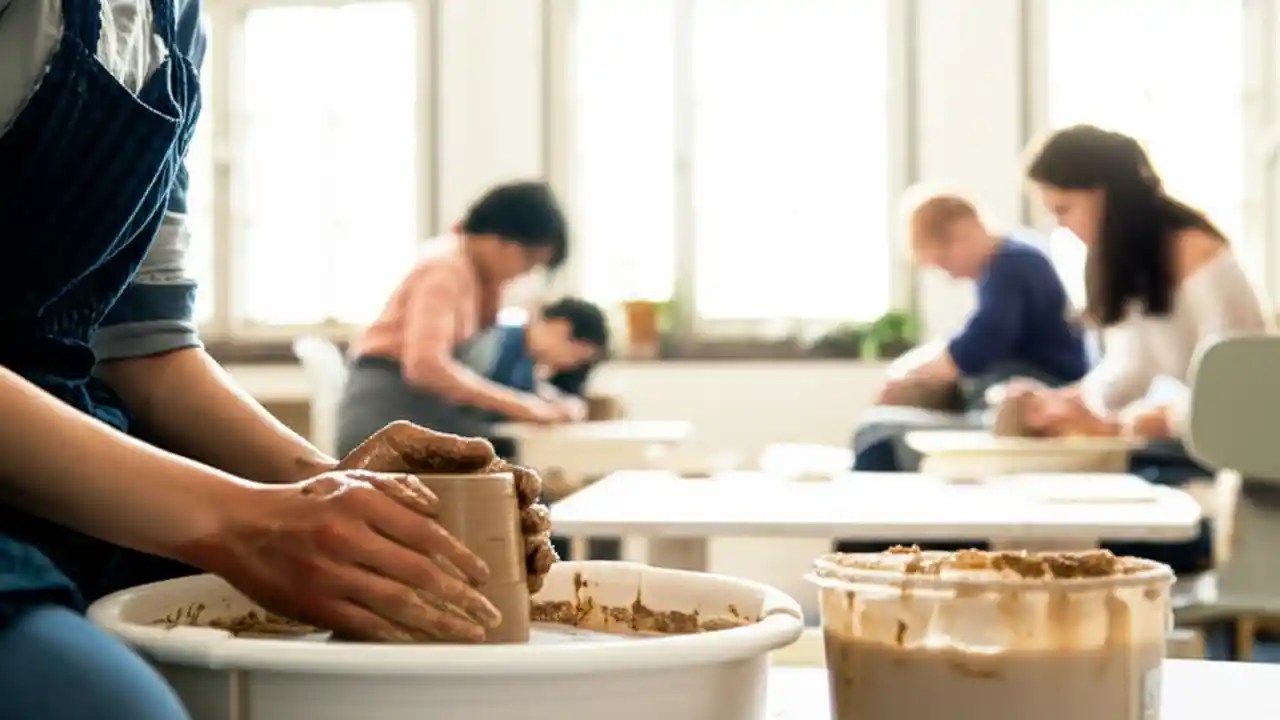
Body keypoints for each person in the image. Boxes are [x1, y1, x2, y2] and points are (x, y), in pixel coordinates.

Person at [0, 2, 495, 717]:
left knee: (362, 659)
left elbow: (147, 351)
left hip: (65, 444)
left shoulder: (176, 26)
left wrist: (338, 488)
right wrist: (241, 521)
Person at [1017, 124, 1269, 571]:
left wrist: (1152, 420)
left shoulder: (1196, 250)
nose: (1062, 226)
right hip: (1186, 437)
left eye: (1064, 209)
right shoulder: (1130, 257)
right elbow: (1130, 368)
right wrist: (1068, 403)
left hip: (1228, 450)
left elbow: (1240, 390)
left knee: (1099, 502)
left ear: (1103, 192)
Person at [337, 182, 581, 458]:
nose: (524, 273)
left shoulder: (478, 280)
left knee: (510, 470)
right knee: (508, 478)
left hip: (418, 412)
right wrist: (525, 407)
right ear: (503, 241)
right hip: (385, 415)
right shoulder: (446, 269)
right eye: (529, 261)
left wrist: (541, 399)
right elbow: (425, 366)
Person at [851, 190, 1089, 472]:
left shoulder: (1013, 265)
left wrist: (907, 375)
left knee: (878, 434)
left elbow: (976, 346)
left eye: (944, 262)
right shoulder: (1010, 263)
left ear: (964, 232)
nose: (950, 276)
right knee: (879, 427)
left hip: (1030, 403)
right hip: (1010, 397)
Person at [460, 297, 611, 422]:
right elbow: (467, 390)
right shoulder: (494, 341)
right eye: (578, 356)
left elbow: (535, 392)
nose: (572, 365)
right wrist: (531, 409)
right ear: (561, 328)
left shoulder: (529, 363)